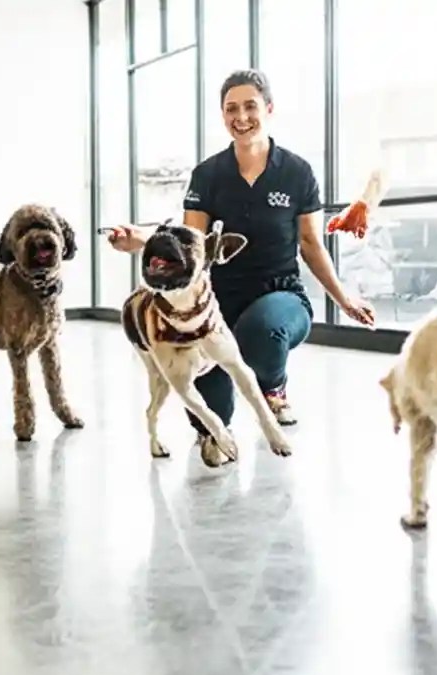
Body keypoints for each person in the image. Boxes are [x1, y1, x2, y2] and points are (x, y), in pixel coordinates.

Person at [108, 69, 376, 464]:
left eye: (250, 106)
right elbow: (190, 240)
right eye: (231, 108)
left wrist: (344, 298)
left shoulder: (297, 171)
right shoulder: (208, 174)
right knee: (209, 412)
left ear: (268, 108)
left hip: (281, 294)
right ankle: (213, 428)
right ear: (222, 115)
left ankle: (274, 386)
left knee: (261, 331)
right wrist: (143, 240)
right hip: (220, 303)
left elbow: (311, 244)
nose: (241, 116)